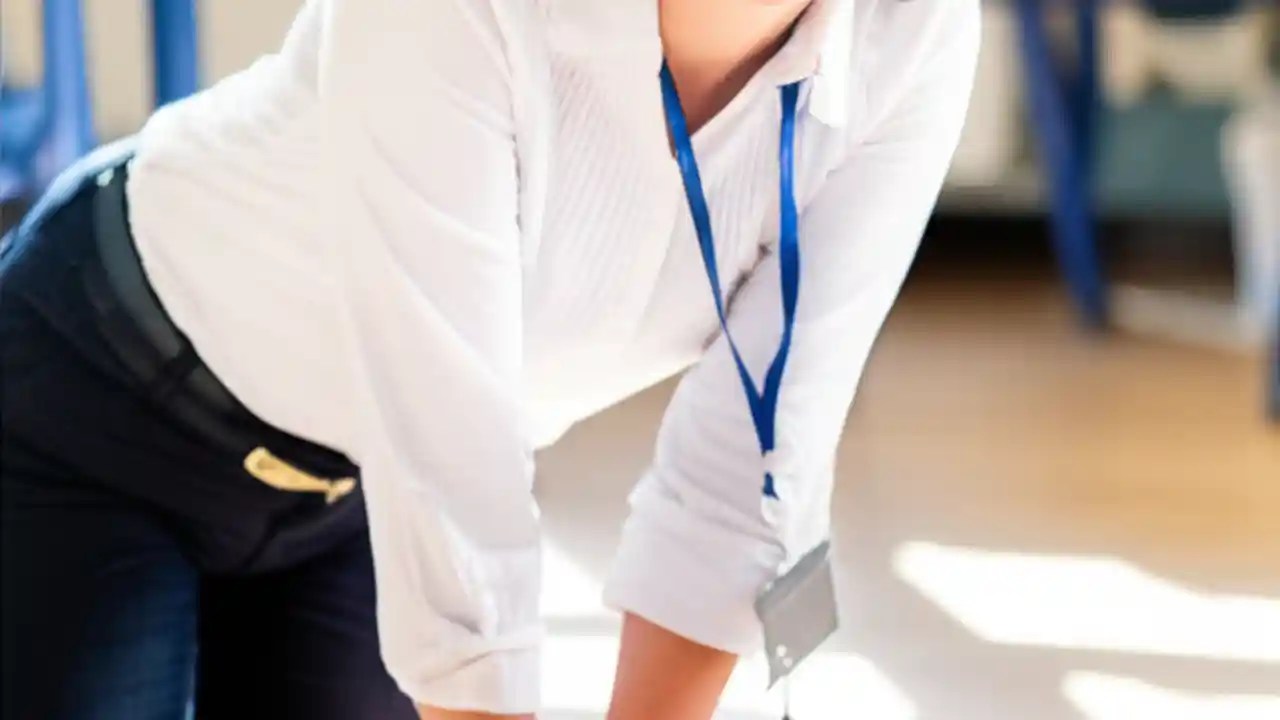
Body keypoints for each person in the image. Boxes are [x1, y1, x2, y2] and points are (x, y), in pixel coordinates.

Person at [0, 1, 979, 718]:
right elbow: (452, 460)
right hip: (101, 395)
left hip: (350, 495)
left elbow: (757, 451)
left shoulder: (914, 31)